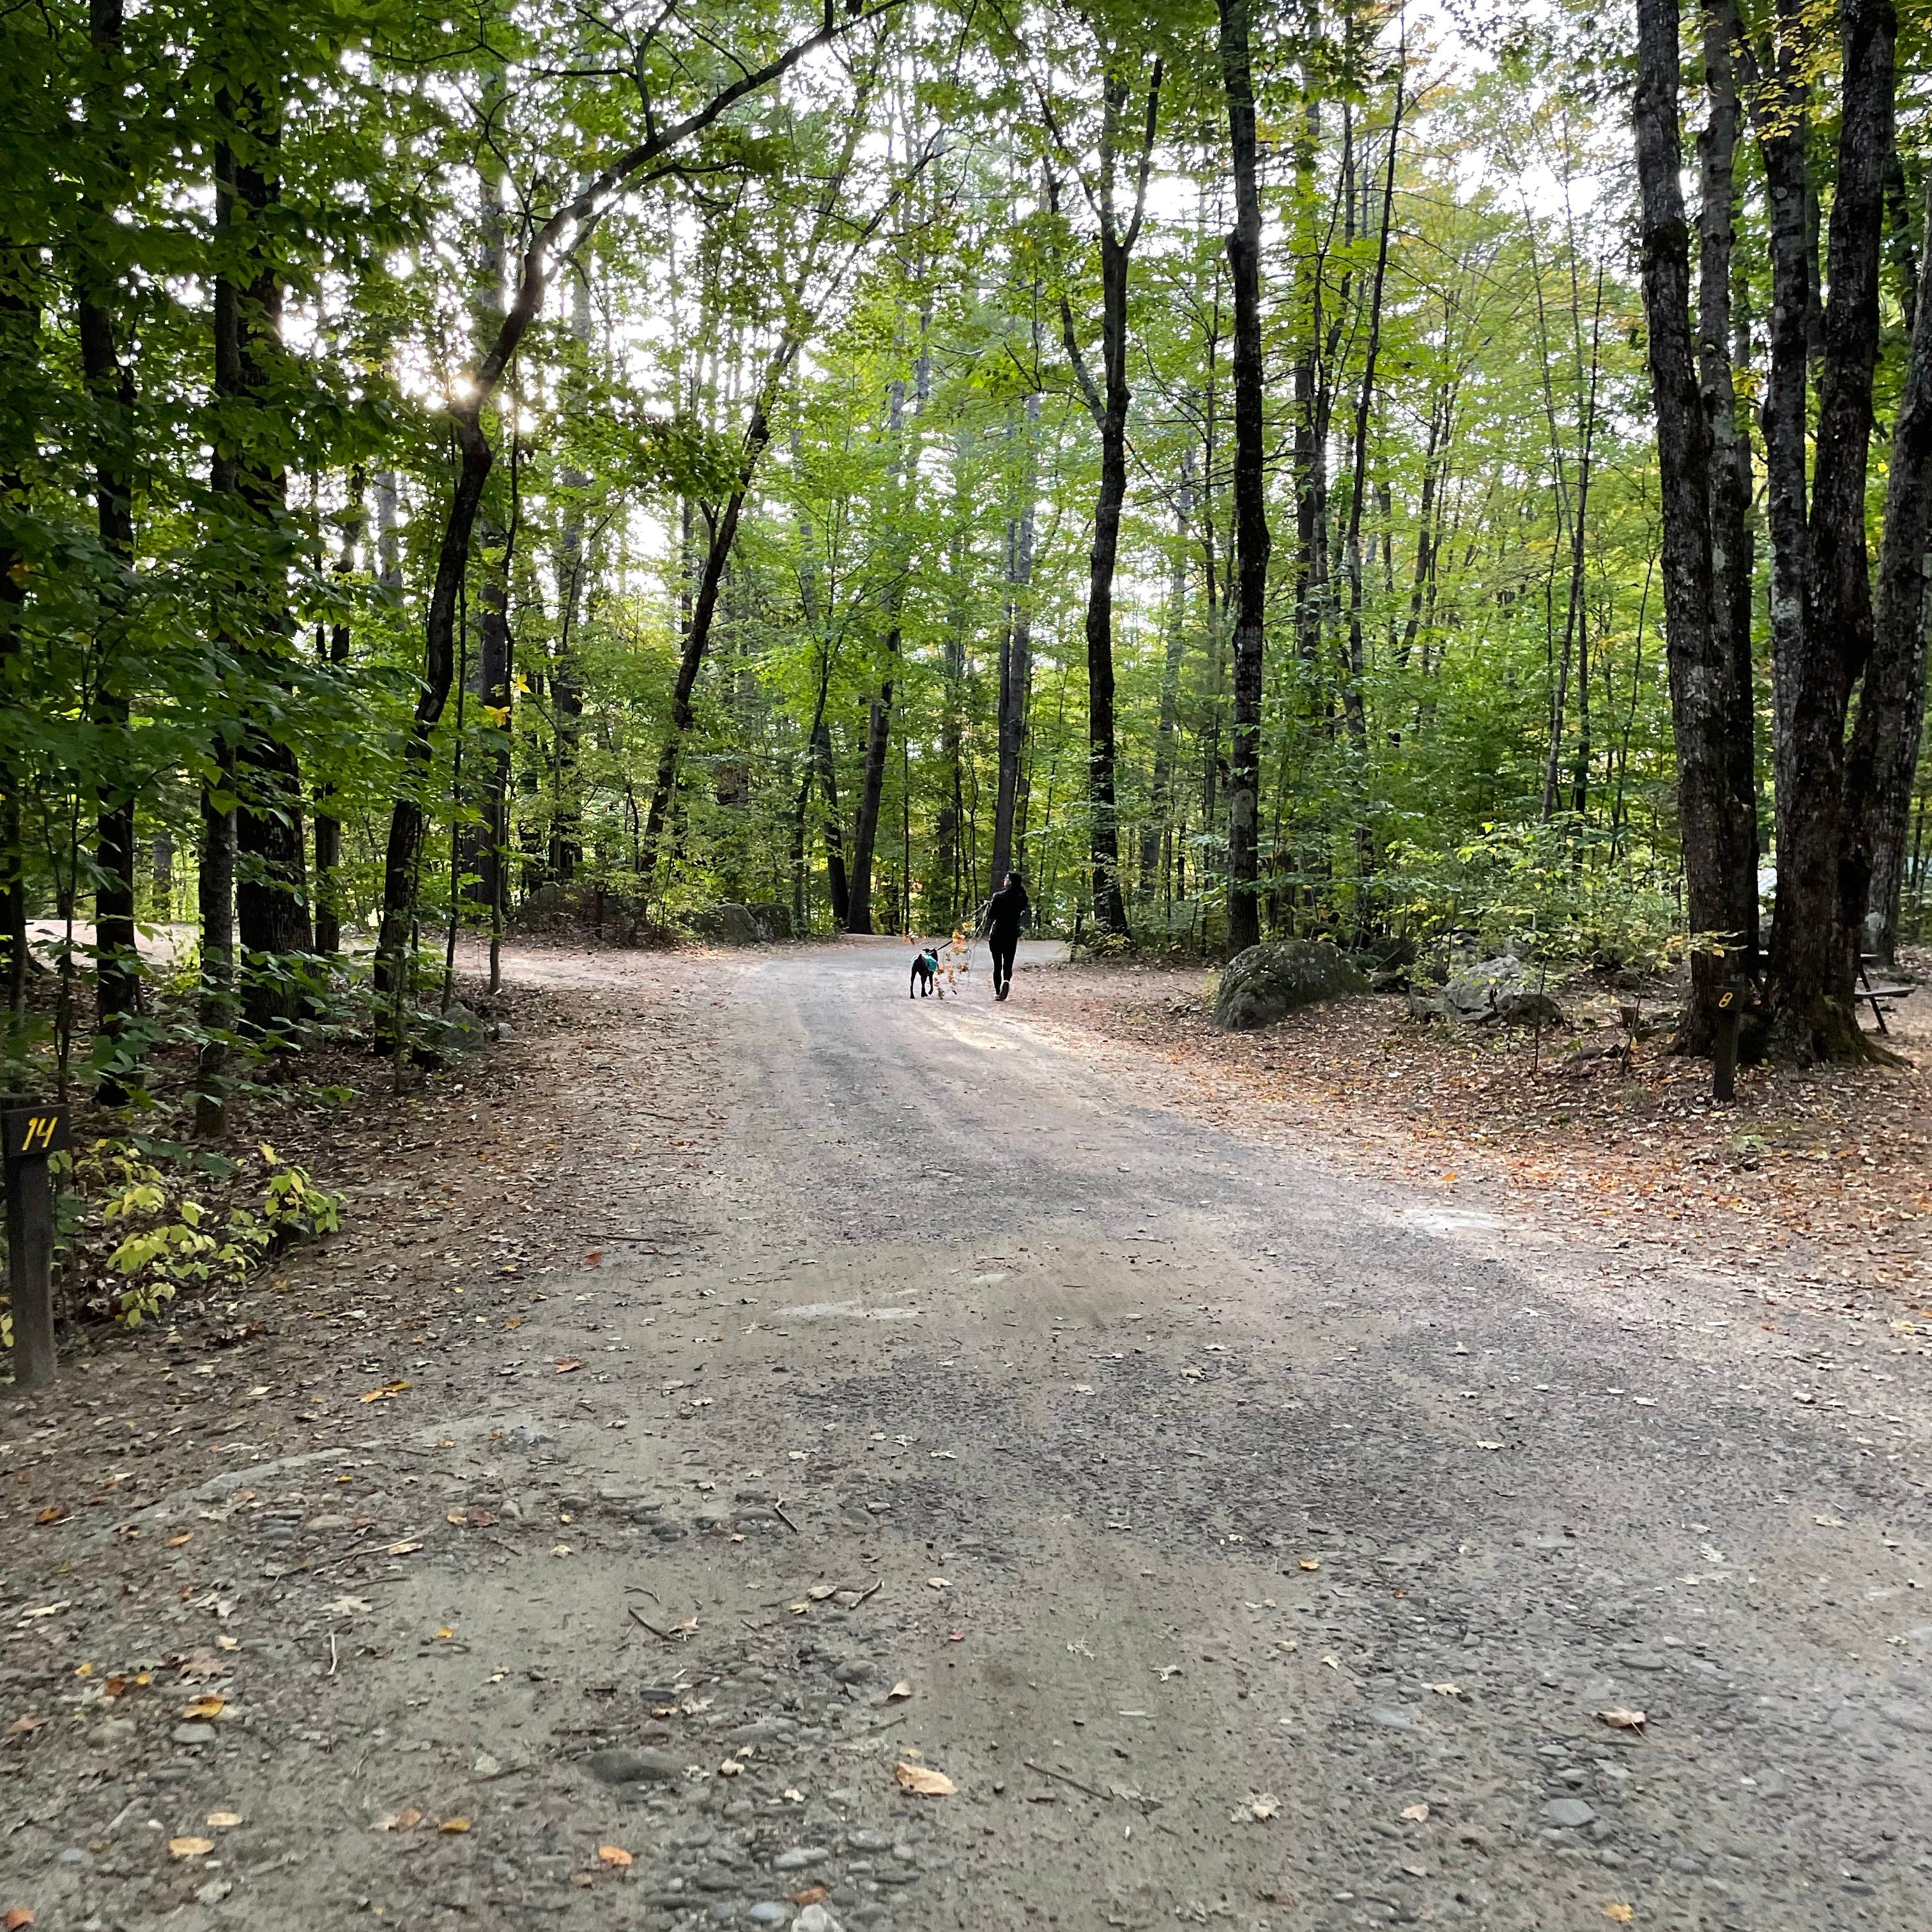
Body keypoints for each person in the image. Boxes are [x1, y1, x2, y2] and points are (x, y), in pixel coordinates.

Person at [984, 871, 1030, 1000]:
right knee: (1008, 963)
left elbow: (991, 915)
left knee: (997, 964)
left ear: (1010, 881)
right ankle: (1007, 981)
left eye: (1007, 878)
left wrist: (990, 905)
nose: (1004, 879)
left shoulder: (998, 896)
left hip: (998, 933)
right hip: (1012, 933)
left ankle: (998, 992)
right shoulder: (1022, 898)